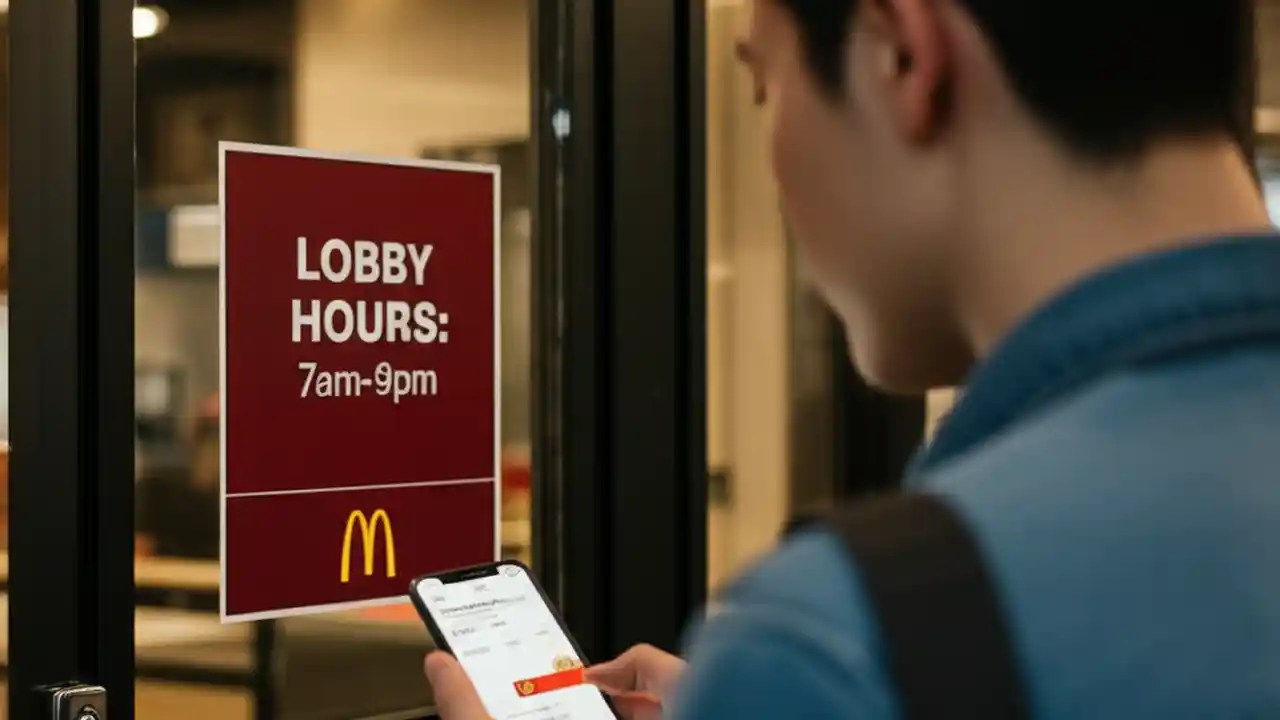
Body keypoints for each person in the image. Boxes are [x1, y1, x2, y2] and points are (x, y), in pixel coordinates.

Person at [428, 0, 1279, 716]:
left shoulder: (863, 633)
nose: (777, 171)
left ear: (900, 55)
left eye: (766, 87)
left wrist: (798, 678)